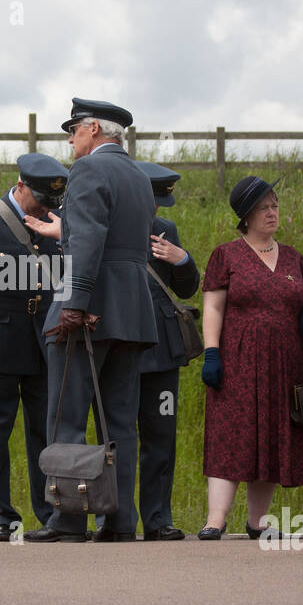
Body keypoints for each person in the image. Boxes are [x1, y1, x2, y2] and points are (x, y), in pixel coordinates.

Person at [26, 98, 157, 543]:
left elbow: (86, 240)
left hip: (89, 310)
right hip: (133, 312)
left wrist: (73, 302)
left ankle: (67, 519)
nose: (71, 140)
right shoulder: (139, 177)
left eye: (74, 131)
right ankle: (119, 520)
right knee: (120, 422)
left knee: (65, 415)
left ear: (95, 129)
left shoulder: (88, 171)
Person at [198, 176, 303, 540]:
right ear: (245, 216)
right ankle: (216, 519)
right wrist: (212, 353)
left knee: (273, 435)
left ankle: (258, 521)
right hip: (238, 359)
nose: (272, 212)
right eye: (263, 207)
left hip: (285, 362)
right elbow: (213, 307)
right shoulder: (226, 254)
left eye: (275, 205)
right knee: (230, 435)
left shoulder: (294, 257)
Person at [0, 153, 68, 540]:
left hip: (46, 340)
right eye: (39, 198)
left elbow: (67, 275)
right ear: (20, 185)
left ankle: (51, 515)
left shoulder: (57, 221)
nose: (45, 208)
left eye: (51, 202)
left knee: (45, 433)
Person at [132, 160, 199, 541]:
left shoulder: (165, 230)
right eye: (151, 202)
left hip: (160, 353)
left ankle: (157, 519)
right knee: (118, 440)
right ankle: (116, 518)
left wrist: (183, 260)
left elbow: (187, 289)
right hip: (119, 352)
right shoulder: (106, 223)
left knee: (161, 436)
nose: (155, 211)